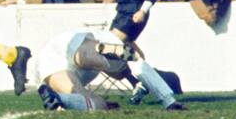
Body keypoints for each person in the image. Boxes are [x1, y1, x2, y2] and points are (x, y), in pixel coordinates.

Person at [33, 27, 183, 112]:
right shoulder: (113, 44)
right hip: (66, 53)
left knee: (90, 100)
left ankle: (58, 99)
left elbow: (132, 65)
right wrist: (168, 100)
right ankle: (61, 99)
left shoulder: (112, 53)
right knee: (94, 100)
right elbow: (138, 62)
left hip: (61, 57)